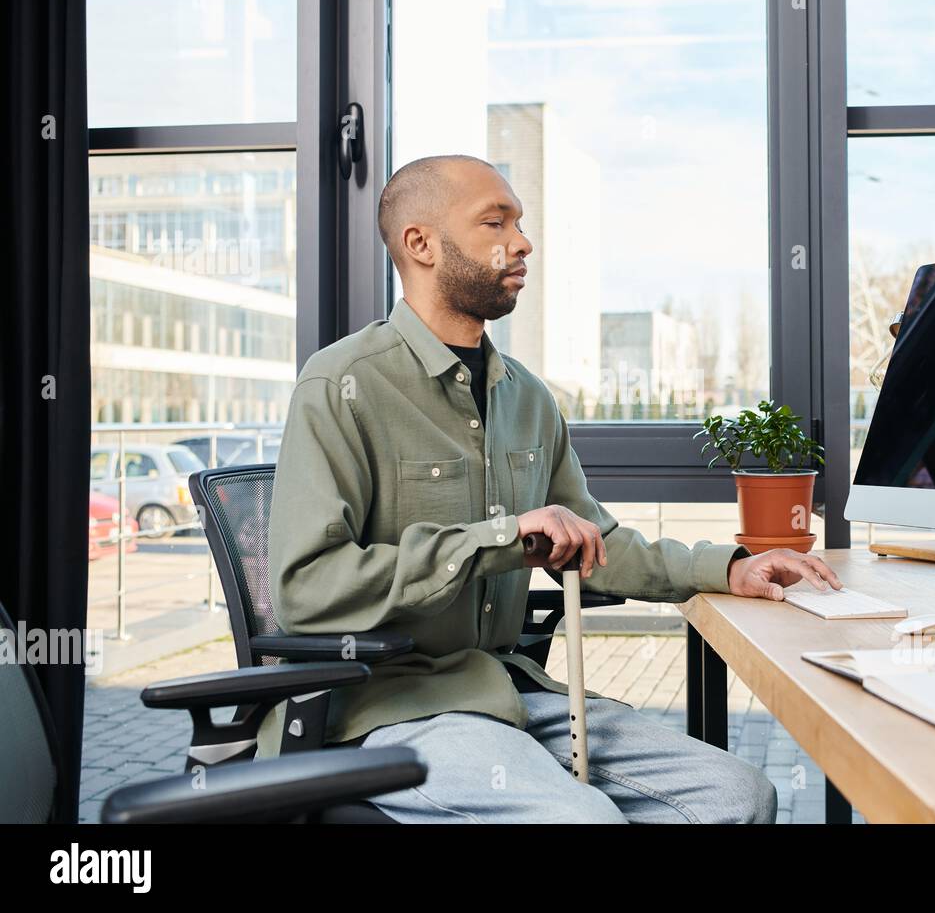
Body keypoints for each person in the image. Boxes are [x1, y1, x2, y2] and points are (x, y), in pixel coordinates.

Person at [264, 154, 843, 823]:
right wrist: (498, 540)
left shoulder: (529, 399)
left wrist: (732, 568)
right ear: (419, 244)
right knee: (582, 820)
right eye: (494, 221)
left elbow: (599, 542)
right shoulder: (341, 383)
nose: (522, 241)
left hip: (510, 693)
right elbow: (305, 589)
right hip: (389, 710)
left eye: (520, 221)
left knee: (739, 796)